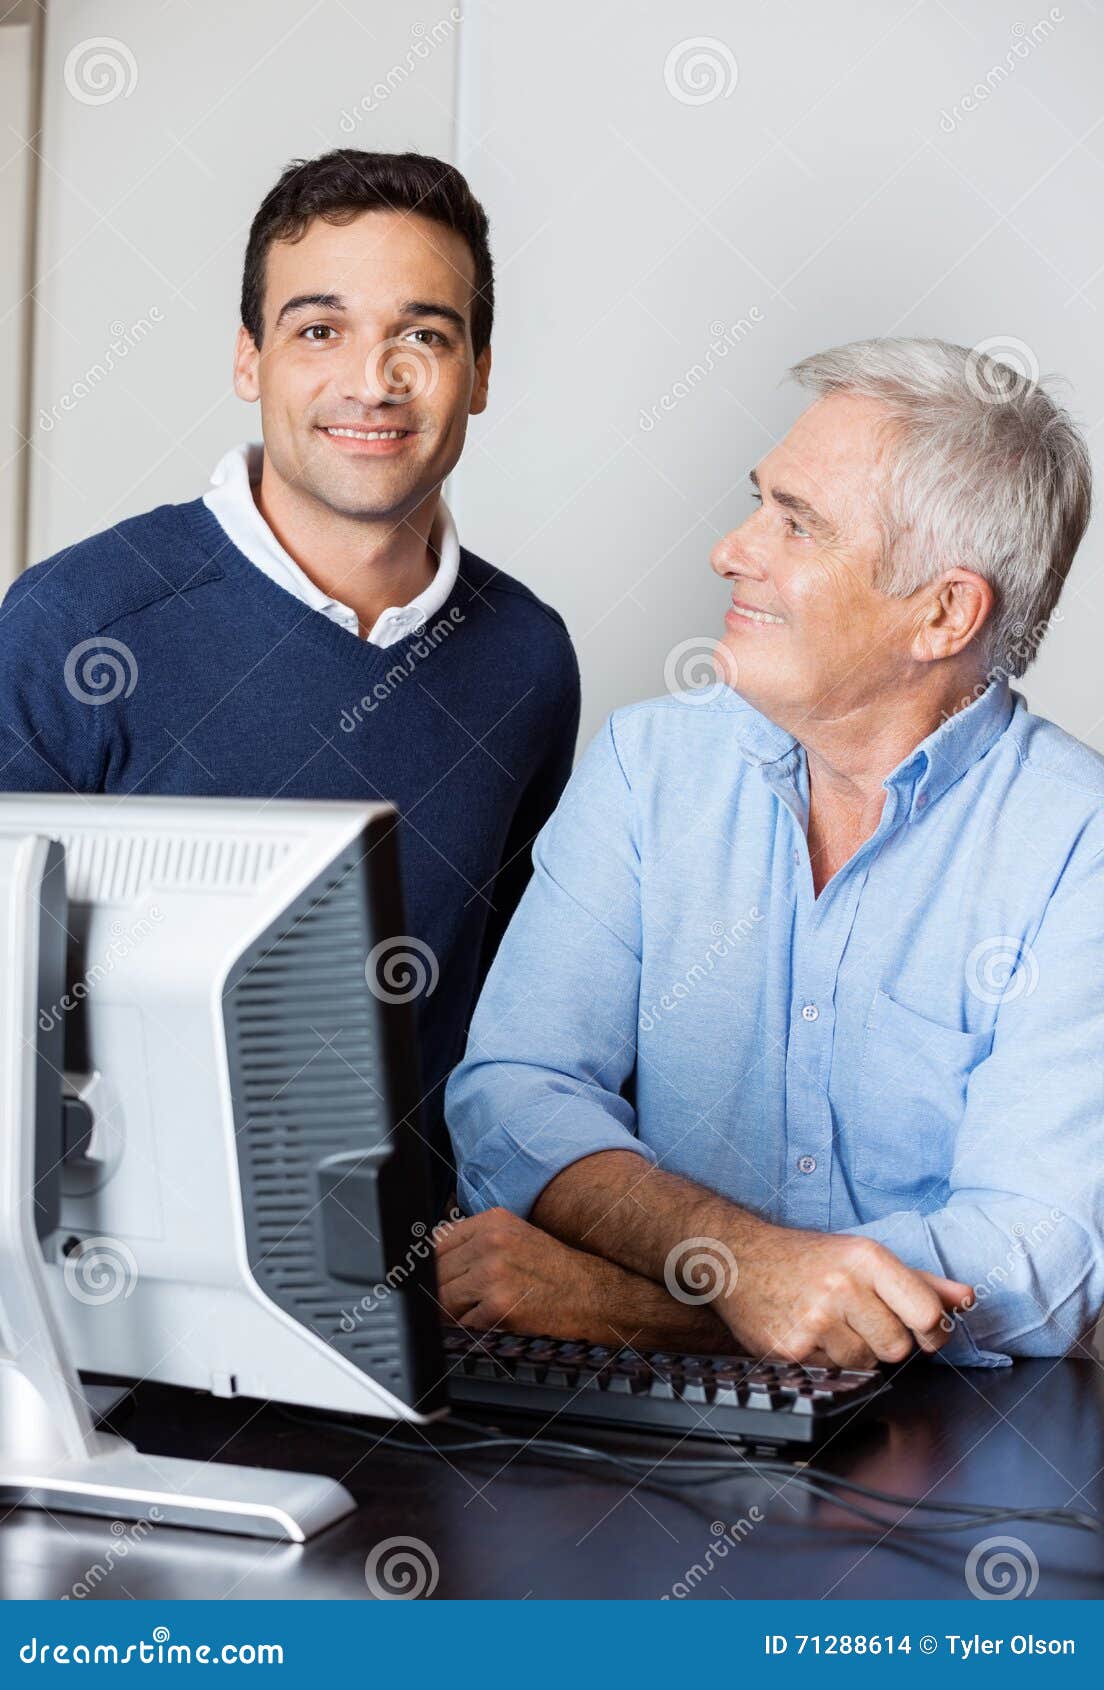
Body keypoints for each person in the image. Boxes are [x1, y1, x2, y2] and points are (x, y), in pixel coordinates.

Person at [443, 337, 1103, 1368]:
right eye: (762, 502)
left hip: (949, 1479)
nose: (731, 548)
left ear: (943, 612)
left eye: (796, 523)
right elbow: (516, 1094)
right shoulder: (646, 766)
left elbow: (1035, 1253)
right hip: (618, 1463)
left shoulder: (1080, 843)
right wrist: (739, 1264)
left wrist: (655, 1302)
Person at [0, 151, 579, 1201]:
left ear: (480, 372)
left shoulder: (527, 657)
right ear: (248, 360)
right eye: (321, 330)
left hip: (417, 1303)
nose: (374, 378)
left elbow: (509, 1029)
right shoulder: (76, 626)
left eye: (425, 335)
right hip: (110, 1289)